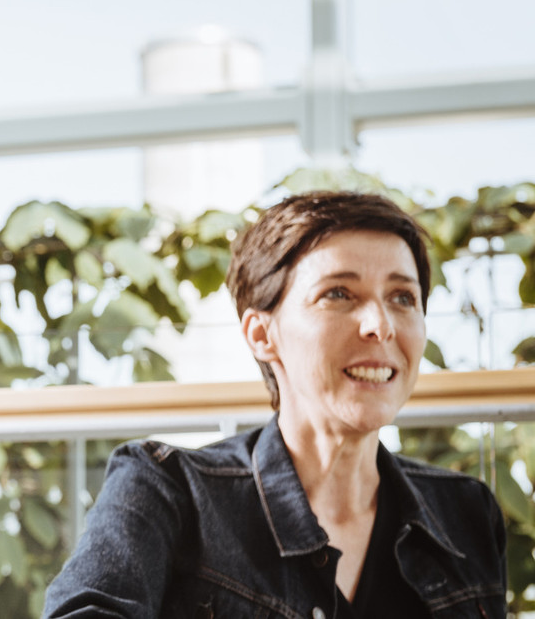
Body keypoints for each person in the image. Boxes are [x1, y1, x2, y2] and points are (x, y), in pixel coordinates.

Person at [43, 191, 507, 618]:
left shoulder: (466, 513)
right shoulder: (166, 490)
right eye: (338, 294)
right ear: (263, 335)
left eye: (403, 297)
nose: (380, 325)